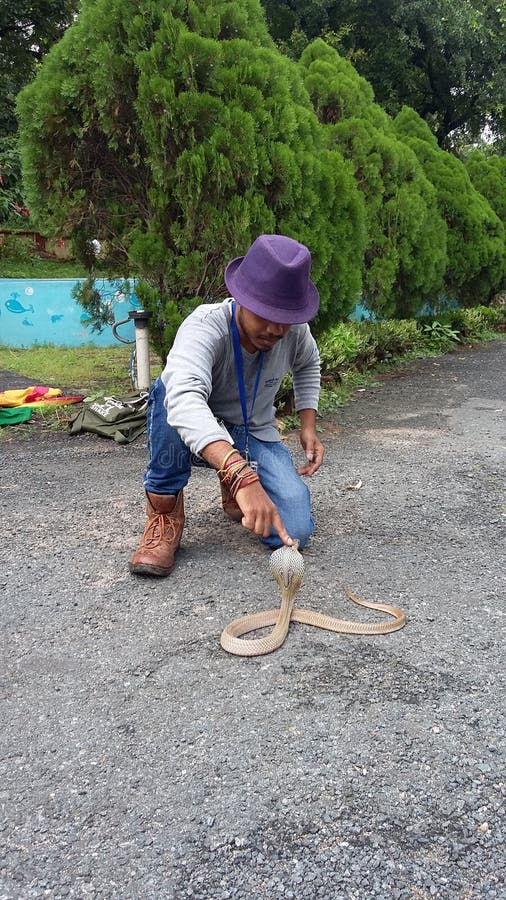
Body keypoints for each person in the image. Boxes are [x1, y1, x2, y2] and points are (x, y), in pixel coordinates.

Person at [129, 233, 325, 577]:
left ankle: (231, 481)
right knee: (168, 391)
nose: (276, 327)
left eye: (285, 316)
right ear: (241, 297)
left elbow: (309, 364)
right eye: (266, 312)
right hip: (191, 431)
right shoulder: (206, 326)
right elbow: (186, 401)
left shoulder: (294, 332)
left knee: (294, 530)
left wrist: (308, 425)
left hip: (251, 431)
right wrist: (241, 476)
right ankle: (163, 512)